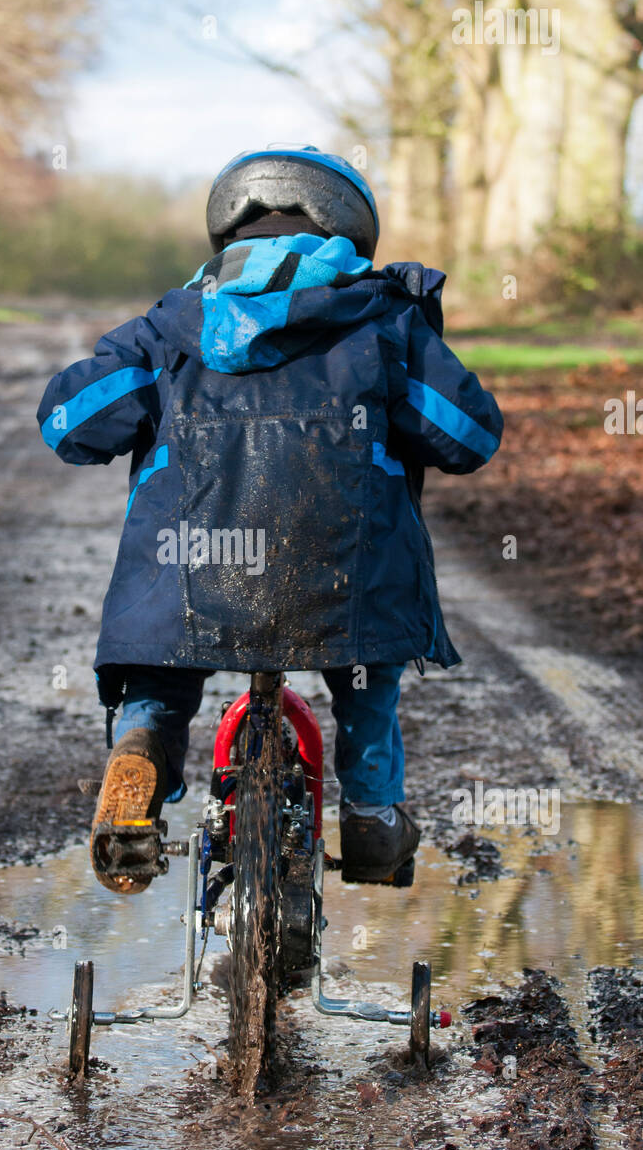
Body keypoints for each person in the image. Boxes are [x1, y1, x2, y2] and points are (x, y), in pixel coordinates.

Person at [37, 145, 503, 894]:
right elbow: (468, 436)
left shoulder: (169, 327)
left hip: (192, 572)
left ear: (227, 228)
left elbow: (70, 424)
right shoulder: (383, 322)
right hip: (342, 578)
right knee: (365, 677)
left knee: (159, 665)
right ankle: (372, 813)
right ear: (350, 228)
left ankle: (142, 747)